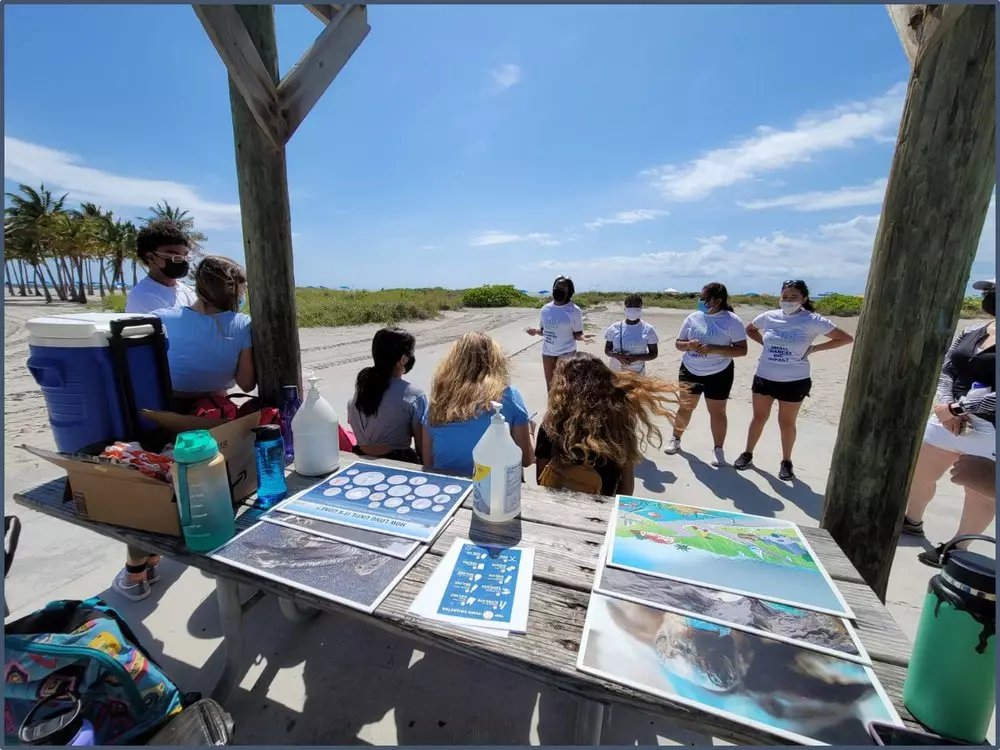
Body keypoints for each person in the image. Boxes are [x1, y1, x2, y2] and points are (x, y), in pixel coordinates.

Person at [112, 256, 253, 602]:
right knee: (211, 487)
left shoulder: (161, 319)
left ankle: (136, 573)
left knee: (152, 490)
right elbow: (247, 383)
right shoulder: (242, 324)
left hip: (165, 414)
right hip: (213, 417)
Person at [902, 278, 995, 567]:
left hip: (990, 427)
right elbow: (948, 368)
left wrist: (958, 407)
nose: (988, 297)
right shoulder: (974, 330)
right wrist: (945, 406)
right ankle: (912, 520)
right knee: (920, 473)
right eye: (988, 292)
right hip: (946, 417)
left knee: (980, 491)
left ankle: (959, 547)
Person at [733, 280, 854, 481]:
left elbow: (845, 338)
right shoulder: (769, 317)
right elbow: (750, 329)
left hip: (795, 379)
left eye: (794, 297)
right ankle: (747, 453)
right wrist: (765, 344)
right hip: (765, 376)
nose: (788, 300)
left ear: (804, 299)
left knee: (786, 422)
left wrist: (814, 349)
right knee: (759, 417)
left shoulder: (813, 320)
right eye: (785, 297)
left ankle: (786, 461)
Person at [536, 353, 680, 496]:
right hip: (602, 507)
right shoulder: (616, 424)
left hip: (558, 508)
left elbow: (541, 479)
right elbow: (627, 485)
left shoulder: (552, 425)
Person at [422, 332, 535, 477]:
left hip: (448, 486)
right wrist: (530, 430)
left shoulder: (438, 398)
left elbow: (428, 462)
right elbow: (526, 459)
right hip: (494, 488)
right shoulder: (509, 395)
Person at [666, 282, 748, 466]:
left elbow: (742, 350)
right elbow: (679, 343)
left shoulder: (732, 321)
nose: (700, 301)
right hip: (690, 369)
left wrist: (714, 349)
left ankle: (718, 449)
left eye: (704, 298)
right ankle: (675, 439)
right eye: (700, 297)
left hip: (719, 373)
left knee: (717, 413)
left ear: (717, 301)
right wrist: (689, 345)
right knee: (685, 407)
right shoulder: (693, 318)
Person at [347, 327, 426, 464]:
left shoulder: (357, 396)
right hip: (400, 463)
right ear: (403, 359)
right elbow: (422, 449)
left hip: (361, 461)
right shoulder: (414, 396)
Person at [527, 276, 591, 390]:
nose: (559, 289)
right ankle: (552, 408)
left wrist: (583, 337)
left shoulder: (574, 310)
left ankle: (566, 408)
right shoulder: (545, 309)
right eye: (557, 286)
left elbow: (577, 333)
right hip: (547, 354)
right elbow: (543, 331)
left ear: (569, 291)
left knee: (566, 387)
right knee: (551, 387)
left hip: (567, 355)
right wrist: (535, 331)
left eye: (563, 287)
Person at [125, 219, 197, 313]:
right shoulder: (144, 295)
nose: (182, 260)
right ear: (150, 257)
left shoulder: (190, 291)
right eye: (175, 256)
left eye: (185, 255)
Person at [604, 294, 660, 376]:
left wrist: (636, 358)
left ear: (641, 308)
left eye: (636, 306)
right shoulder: (614, 328)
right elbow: (607, 349)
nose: (633, 309)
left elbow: (654, 354)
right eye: (630, 306)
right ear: (625, 308)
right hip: (615, 372)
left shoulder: (648, 329)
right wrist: (617, 355)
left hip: (637, 373)